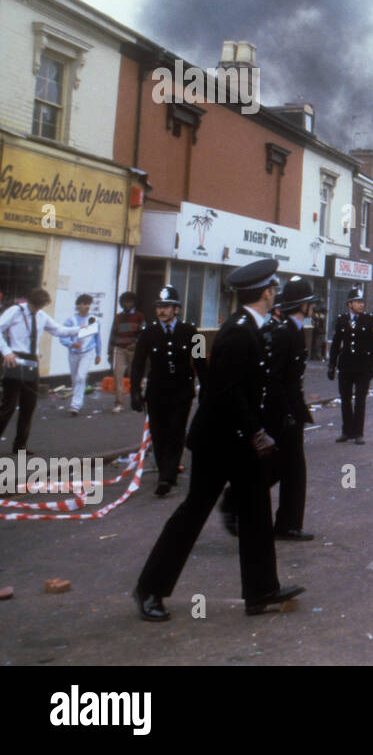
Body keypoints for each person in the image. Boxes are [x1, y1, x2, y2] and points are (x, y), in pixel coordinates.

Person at [133, 259, 304, 622]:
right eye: (273, 289)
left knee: (256, 511)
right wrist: (256, 431)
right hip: (218, 441)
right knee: (193, 513)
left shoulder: (253, 327)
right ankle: (150, 589)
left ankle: (261, 591)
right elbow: (225, 392)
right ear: (267, 293)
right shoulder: (238, 332)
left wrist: (274, 421)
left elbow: (255, 385)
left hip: (240, 438)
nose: (275, 294)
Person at [131, 285, 206, 496]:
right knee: (158, 434)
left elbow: (201, 362)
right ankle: (166, 470)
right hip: (156, 392)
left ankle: (167, 477)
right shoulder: (148, 333)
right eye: (159, 307)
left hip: (181, 392)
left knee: (176, 432)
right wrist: (134, 392)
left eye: (166, 307)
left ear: (176, 309)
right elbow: (137, 364)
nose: (161, 311)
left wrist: (207, 390)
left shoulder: (192, 332)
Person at [264, 277, 316, 539]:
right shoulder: (284, 333)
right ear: (302, 306)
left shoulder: (294, 330)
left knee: (289, 468)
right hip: (283, 412)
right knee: (288, 468)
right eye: (310, 303)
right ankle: (286, 524)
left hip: (291, 410)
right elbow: (274, 377)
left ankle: (288, 523)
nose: (313, 307)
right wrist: (286, 412)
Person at [1, 287, 67, 455]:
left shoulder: (41, 315)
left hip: (31, 361)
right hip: (14, 358)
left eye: (40, 307)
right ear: (28, 301)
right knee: (8, 406)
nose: (36, 310)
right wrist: (6, 351)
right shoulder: (15, 311)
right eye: (34, 306)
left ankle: (20, 446)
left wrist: (82, 331)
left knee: (29, 405)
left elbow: (58, 330)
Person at [328, 287, 373, 444]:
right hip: (345, 366)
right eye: (357, 302)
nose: (361, 304)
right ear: (349, 304)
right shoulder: (342, 320)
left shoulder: (369, 320)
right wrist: (331, 365)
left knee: (360, 400)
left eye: (362, 302)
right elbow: (336, 344)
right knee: (345, 399)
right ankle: (347, 431)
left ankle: (358, 433)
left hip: (363, 367)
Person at [60, 293, 102, 416]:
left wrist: (98, 354)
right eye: (84, 304)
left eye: (88, 304)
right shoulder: (70, 320)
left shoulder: (94, 320)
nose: (87, 306)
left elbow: (97, 338)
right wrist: (72, 344)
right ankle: (76, 401)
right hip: (73, 353)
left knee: (81, 377)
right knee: (75, 378)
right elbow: (62, 336)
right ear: (78, 305)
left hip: (88, 352)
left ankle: (75, 405)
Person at [108, 292, 146, 413]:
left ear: (134, 303)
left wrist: (136, 343)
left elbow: (144, 334)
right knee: (117, 375)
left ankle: (137, 400)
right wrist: (110, 351)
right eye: (124, 302)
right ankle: (119, 403)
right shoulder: (118, 317)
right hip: (119, 349)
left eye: (129, 301)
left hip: (133, 350)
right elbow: (113, 334)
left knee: (134, 376)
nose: (127, 304)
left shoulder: (139, 316)